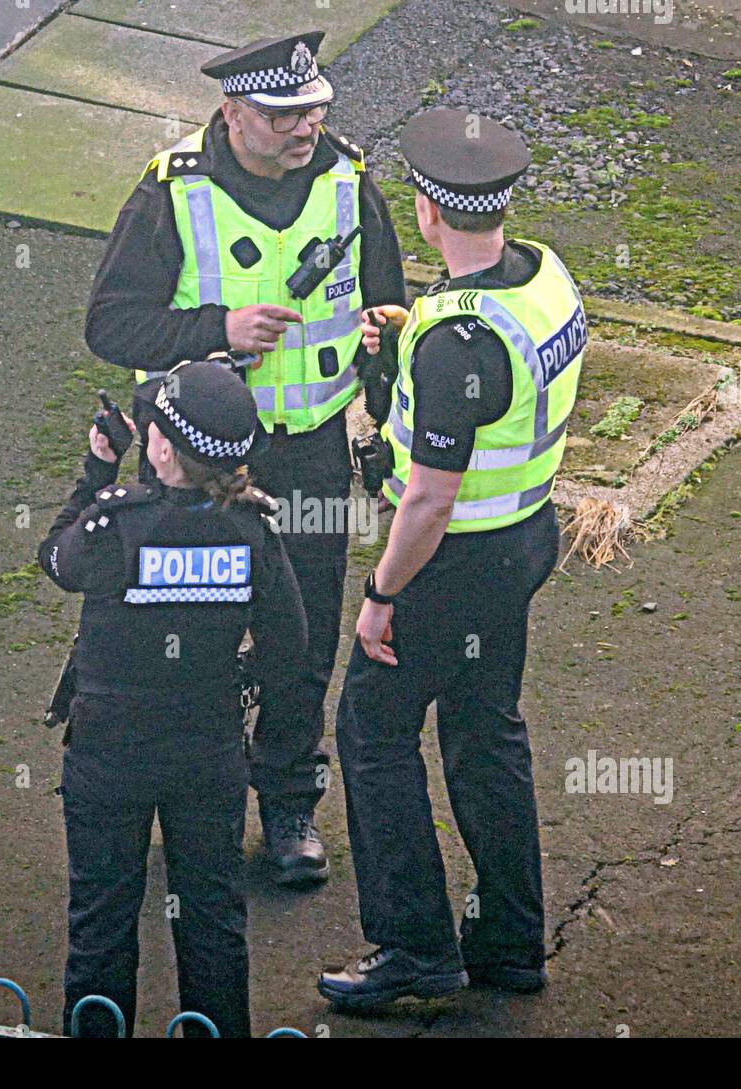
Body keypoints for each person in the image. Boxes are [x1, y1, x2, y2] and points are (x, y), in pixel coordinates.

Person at [83, 30, 407, 886]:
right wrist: (215, 332)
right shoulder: (169, 194)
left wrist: (382, 338)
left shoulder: (348, 177)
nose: (305, 127)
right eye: (283, 115)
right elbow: (111, 325)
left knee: (300, 634)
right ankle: (180, 788)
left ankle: (290, 799)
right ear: (232, 114)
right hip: (196, 463)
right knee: (183, 622)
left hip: (309, 453)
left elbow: (387, 296)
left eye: (314, 110)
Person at [318, 109, 587, 1009]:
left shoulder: (455, 344)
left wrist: (380, 592)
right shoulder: (547, 278)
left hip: (449, 563)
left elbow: (429, 496)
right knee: (484, 732)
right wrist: (413, 336)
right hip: (524, 541)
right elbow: (495, 373)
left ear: (429, 212)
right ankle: (511, 943)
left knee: (373, 734)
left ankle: (411, 946)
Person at [38, 360, 307, 1037]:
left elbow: (56, 560)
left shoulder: (114, 525)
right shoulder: (255, 532)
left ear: (158, 447)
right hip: (208, 751)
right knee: (214, 922)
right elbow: (289, 650)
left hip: (109, 752)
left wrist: (98, 471)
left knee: (101, 923)